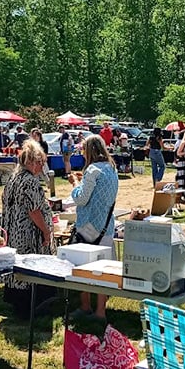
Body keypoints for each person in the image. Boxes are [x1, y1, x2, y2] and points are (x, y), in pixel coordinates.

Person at [68, 135, 119, 323]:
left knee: (84, 268)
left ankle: (85, 305)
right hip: (106, 224)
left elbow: (81, 199)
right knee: (103, 270)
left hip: (89, 226)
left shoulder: (92, 170)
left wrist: (75, 183)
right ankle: (100, 311)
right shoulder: (111, 169)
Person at [1, 139, 55, 317]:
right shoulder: (30, 181)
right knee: (29, 267)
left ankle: (18, 304)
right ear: (32, 162)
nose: (42, 167)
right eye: (41, 162)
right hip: (27, 234)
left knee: (17, 267)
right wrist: (46, 231)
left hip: (12, 230)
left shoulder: (14, 177)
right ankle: (30, 307)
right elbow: (34, 211)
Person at [174, 128, 185, 194]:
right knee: (181, 177)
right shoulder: (183, 142)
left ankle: (184, 192)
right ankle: (180, 192)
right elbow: (178, 153)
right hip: (181, 161)